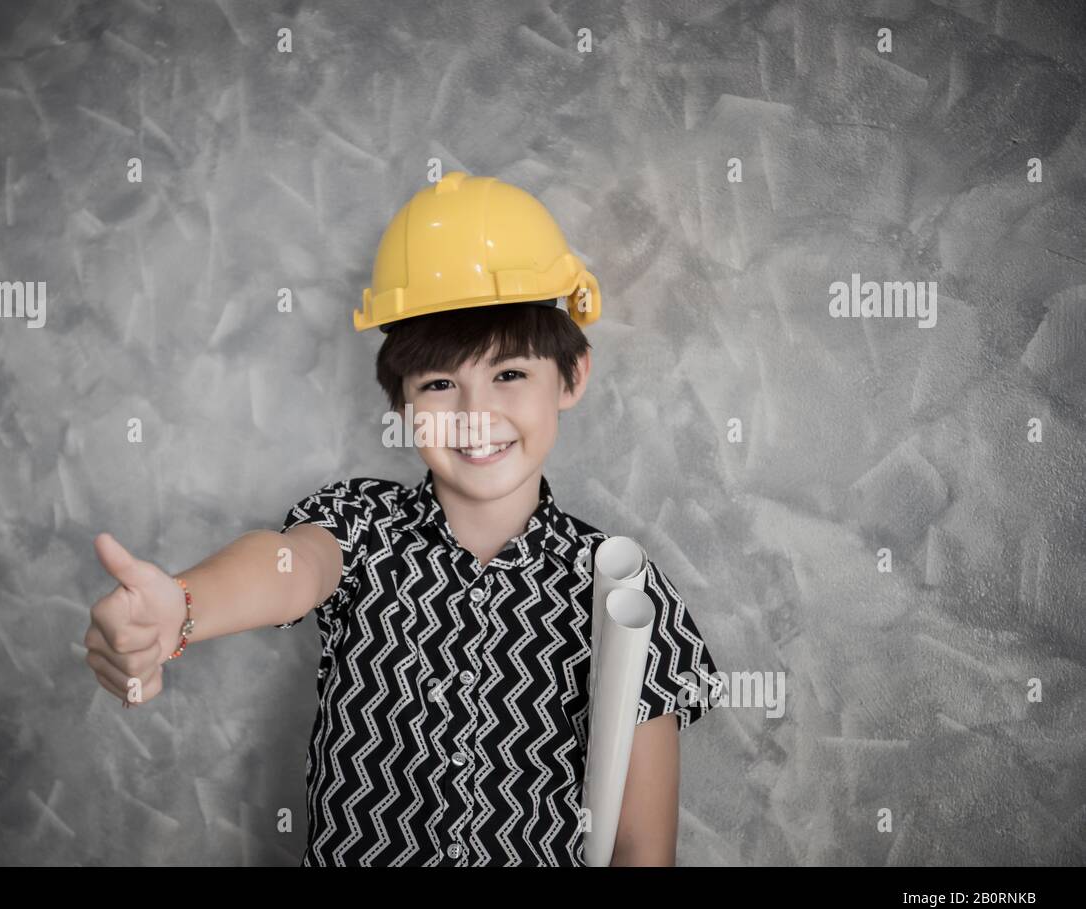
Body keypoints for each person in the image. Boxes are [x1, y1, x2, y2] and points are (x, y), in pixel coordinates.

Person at [83, 171, 722, 866]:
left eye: (510, 375)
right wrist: (182, 605)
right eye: (441, 384)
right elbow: (285, 568)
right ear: (403, 405)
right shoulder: (360, 526)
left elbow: (643, 848)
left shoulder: (621, 589)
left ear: (570, 378)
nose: (476, 414)